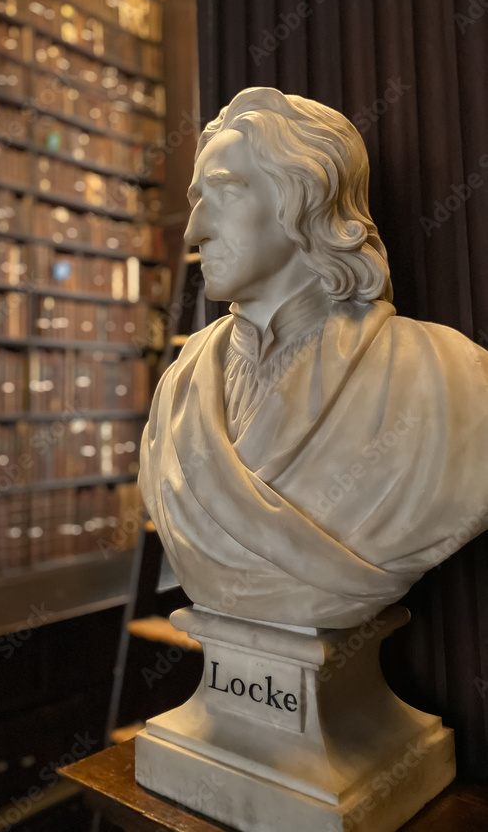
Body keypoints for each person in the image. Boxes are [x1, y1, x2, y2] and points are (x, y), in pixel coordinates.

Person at [139, 86, 488, 628]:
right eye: (195, 200)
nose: (194, 229)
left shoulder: (447, 379)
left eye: (225, 192)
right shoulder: (179, 385)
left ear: (305, 197)